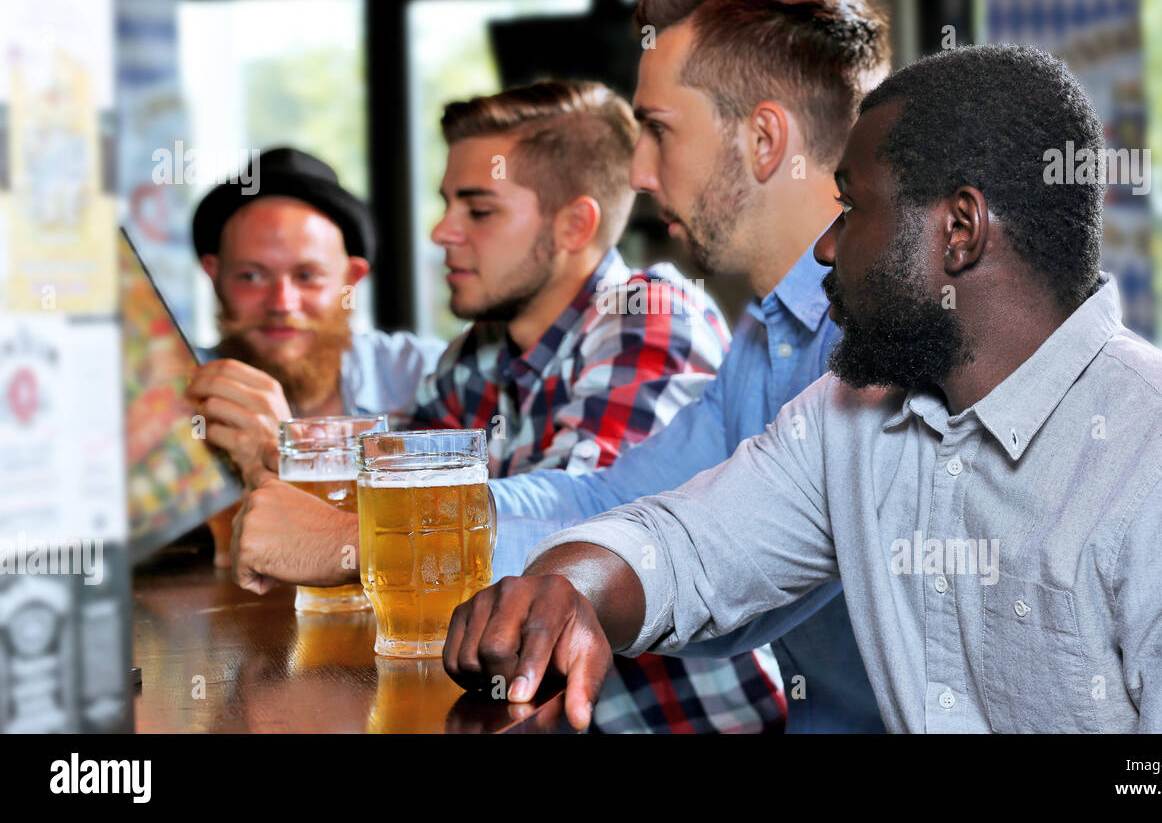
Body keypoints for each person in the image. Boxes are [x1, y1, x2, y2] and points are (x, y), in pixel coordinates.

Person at [441, 44, 1162, 733]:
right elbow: (688, 547)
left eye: (850, 208)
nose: (824, 249)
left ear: (957, 230)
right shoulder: (852, 414)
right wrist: (571, 586)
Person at [233, 0, 893, 733]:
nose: (640, 174)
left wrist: (362, 542)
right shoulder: (768, 338)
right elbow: (611, 497)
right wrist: (378, 526)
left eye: (657, 129)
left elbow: (708, 561)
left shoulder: (877, 344)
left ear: (763, 141)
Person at [235, 81, 786, 733]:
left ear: (574, 224)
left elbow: (582, 544)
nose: (442, 231)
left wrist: (359, 541)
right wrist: (282, 453)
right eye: (446, 205)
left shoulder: (649, 317)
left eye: (480, 210)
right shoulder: (478, 354)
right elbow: (378, 494)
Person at [185, 147, 446, 561]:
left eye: (307, 276)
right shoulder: (172, 394)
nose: (282, 302)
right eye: (252, 276)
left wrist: (282, 456)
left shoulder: (430, 376)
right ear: (214, 275)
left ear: (351, 278)